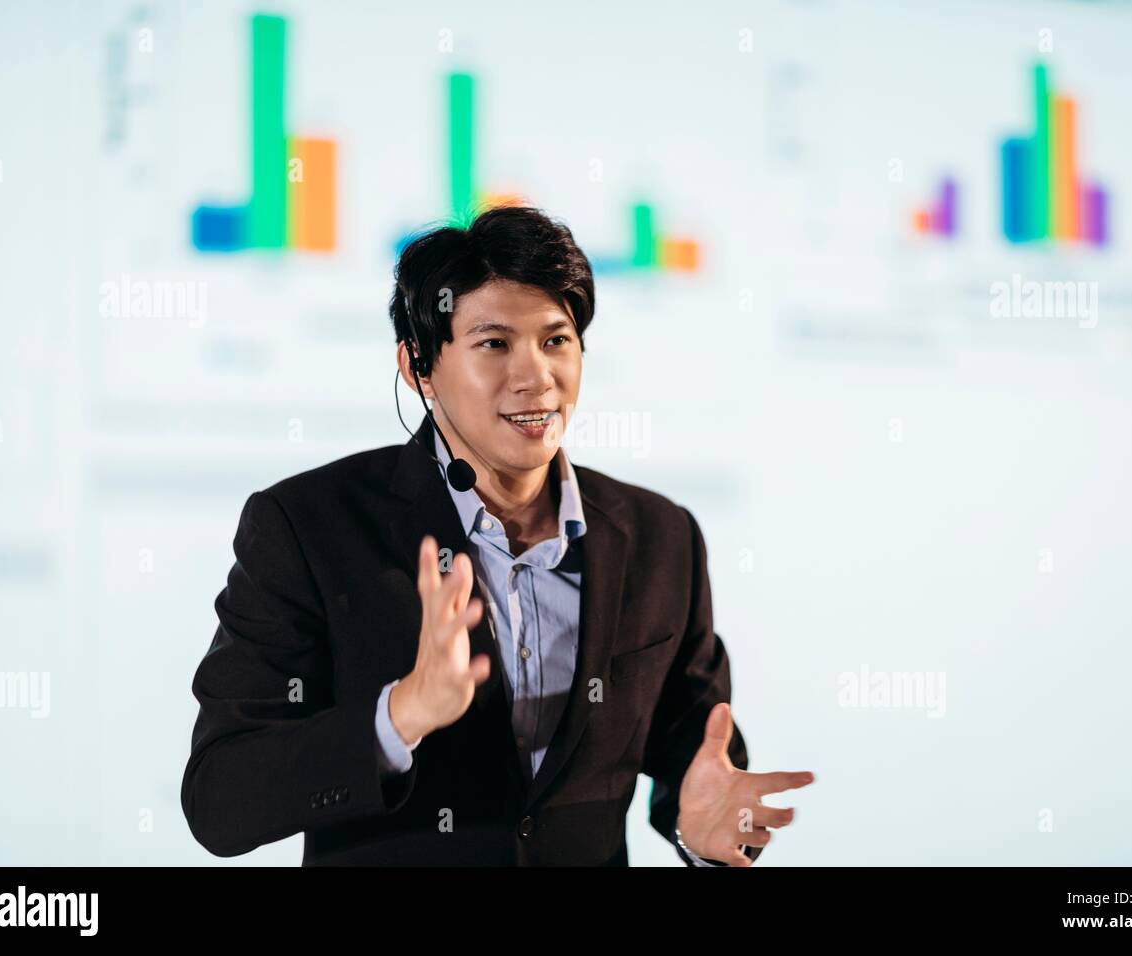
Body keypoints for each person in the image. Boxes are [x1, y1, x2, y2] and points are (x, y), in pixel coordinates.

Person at [180, 205, 814, 865]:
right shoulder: (309, 527)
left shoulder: (660, 536)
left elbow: (698, 754)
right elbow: (219, 801)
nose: (536, 377)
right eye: (494, 343)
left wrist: (700, 831)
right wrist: (400, 716)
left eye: (556, 340)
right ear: (418, 365)